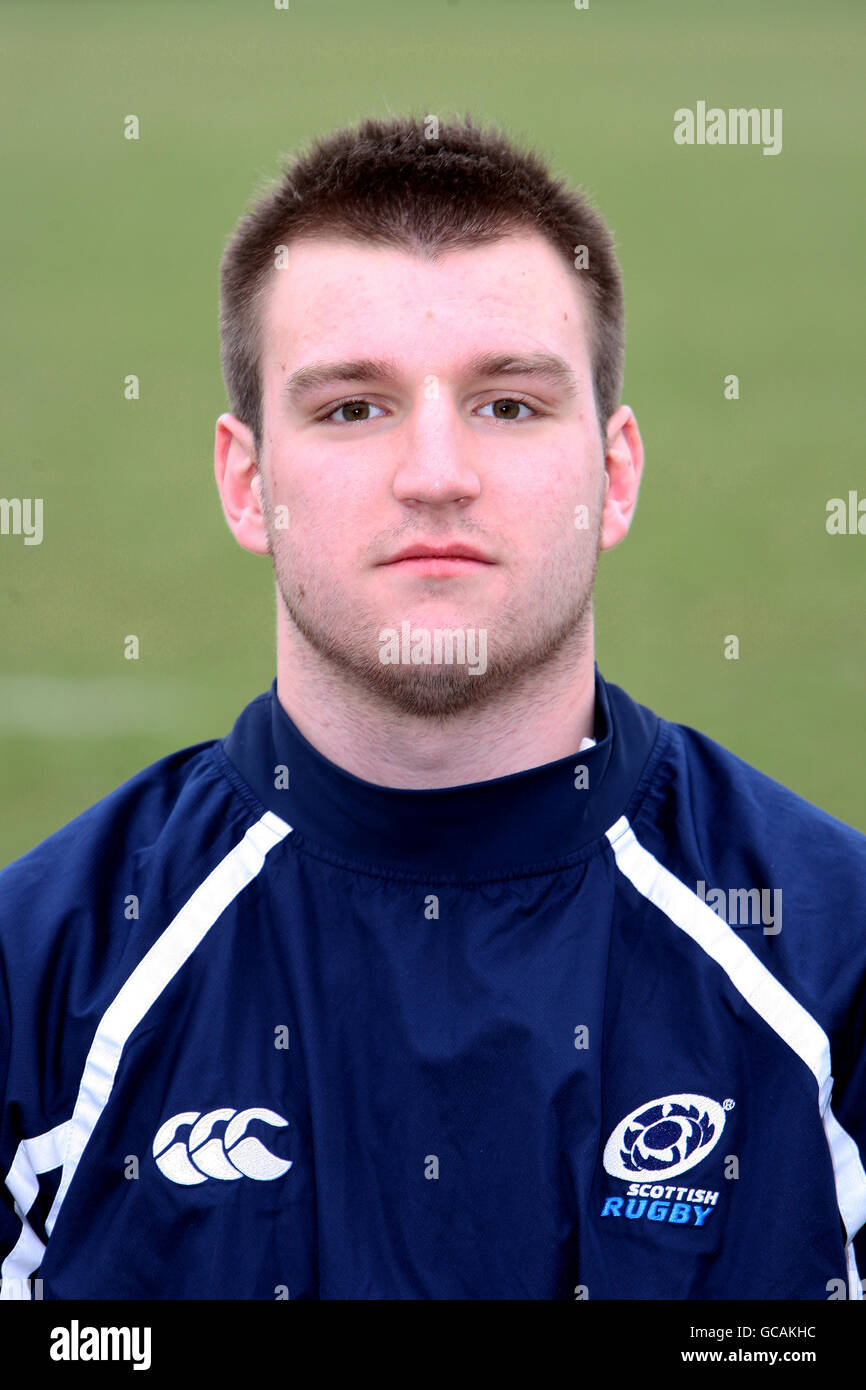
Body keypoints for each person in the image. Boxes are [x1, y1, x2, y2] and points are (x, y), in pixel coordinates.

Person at [1, 113, 864, 1301]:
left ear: (611, 475)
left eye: (508, 404)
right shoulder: (44, 972)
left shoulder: (831, 966)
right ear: (247, 482)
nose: (435, 473)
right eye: (352, 407)